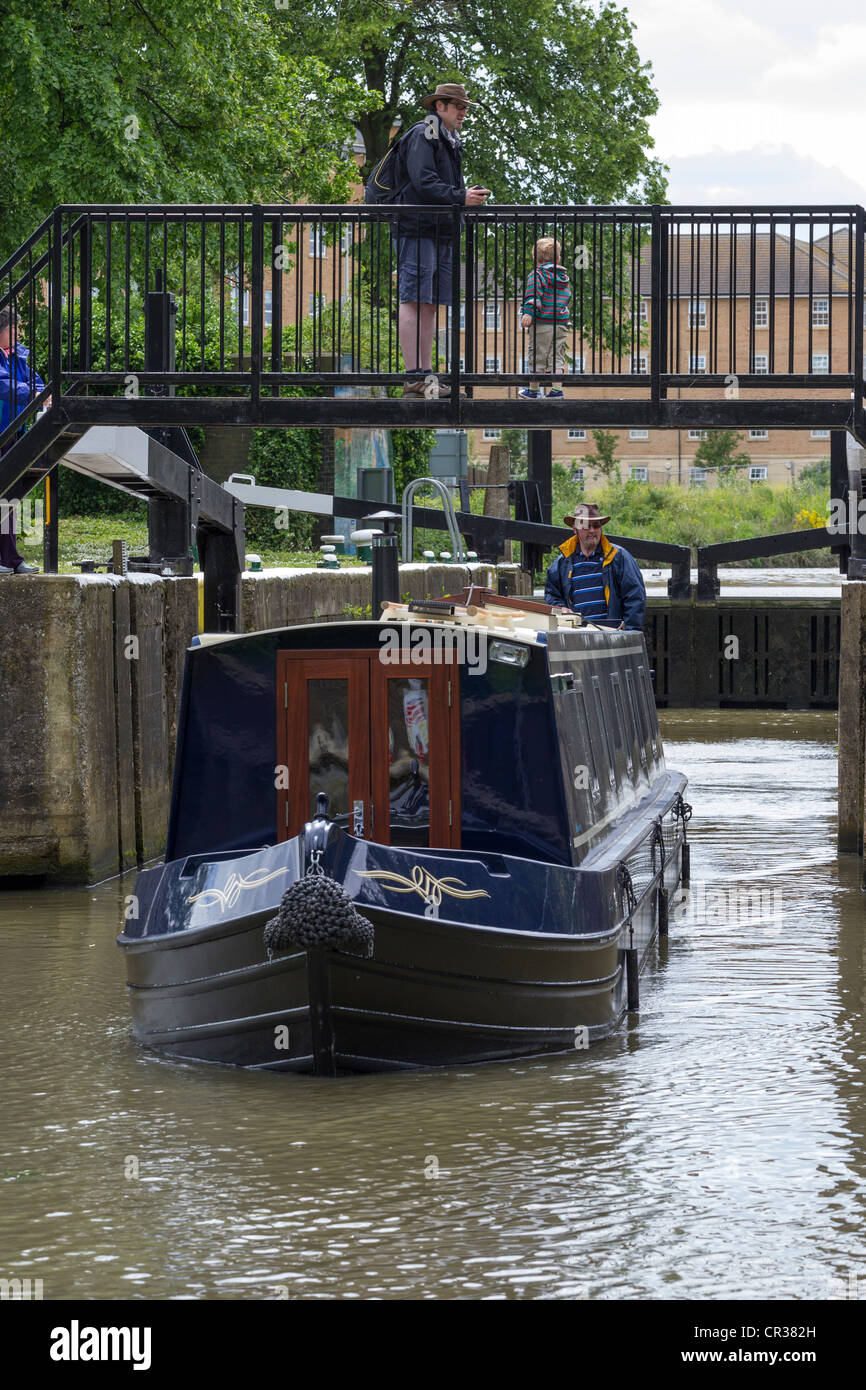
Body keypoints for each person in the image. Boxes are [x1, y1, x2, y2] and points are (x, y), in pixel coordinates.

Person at [393, 82, 489, 397]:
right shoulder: (425, 134)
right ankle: (414, 377)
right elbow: (423, 181)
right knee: (413, 298)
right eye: (458, 106)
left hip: (438, 229)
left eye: (464, 107)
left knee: (429, 303)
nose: (463, 112)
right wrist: (461, 196)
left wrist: (464, 195)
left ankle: (425, 377)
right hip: (418, 227)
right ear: (440, 107)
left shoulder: (447, 138)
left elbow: (436, 184)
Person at [545, 502, 646, 630]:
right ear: (575, 529)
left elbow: (635, 597)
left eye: (596, 526)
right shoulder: (562, 562)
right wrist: (561, 607)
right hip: (578, 636)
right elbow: (551, 593)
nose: (592, 530)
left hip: (612, 636)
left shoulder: (619, 557)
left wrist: (630, 632)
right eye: (586, 526)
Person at [0, 305, 43, 574]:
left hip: (11, 432)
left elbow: (36, 382)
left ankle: (10, 558)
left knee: (10, 499)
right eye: (12, 328)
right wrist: (32, 393)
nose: (17, 332)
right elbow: (4, 386)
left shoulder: (18, 356)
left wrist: (36, 392)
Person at [520, 236, 571, 399]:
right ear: (558, 258)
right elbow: (566, 297)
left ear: (535, 258)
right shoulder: (563, 277)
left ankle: (534, 391)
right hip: (561, 323)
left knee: (537, 356)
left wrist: (528, 312)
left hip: (542, 322)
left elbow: (533, 295)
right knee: (557, 357)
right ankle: (557, 391)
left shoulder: (537, 274)